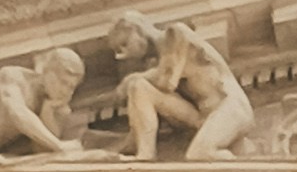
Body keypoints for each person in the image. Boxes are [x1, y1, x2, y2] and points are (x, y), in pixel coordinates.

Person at [108, 12, 256, 162]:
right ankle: (145, 155)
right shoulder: (156, 65)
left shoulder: (175, 34)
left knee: (199, 154)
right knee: (138, 87)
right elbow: (141, 122)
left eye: (124, 44)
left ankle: (245, 169)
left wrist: (130, 78)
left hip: (229, 107)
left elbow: (167, 81)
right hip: (202, 117)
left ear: (137, 31)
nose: (122, 55)